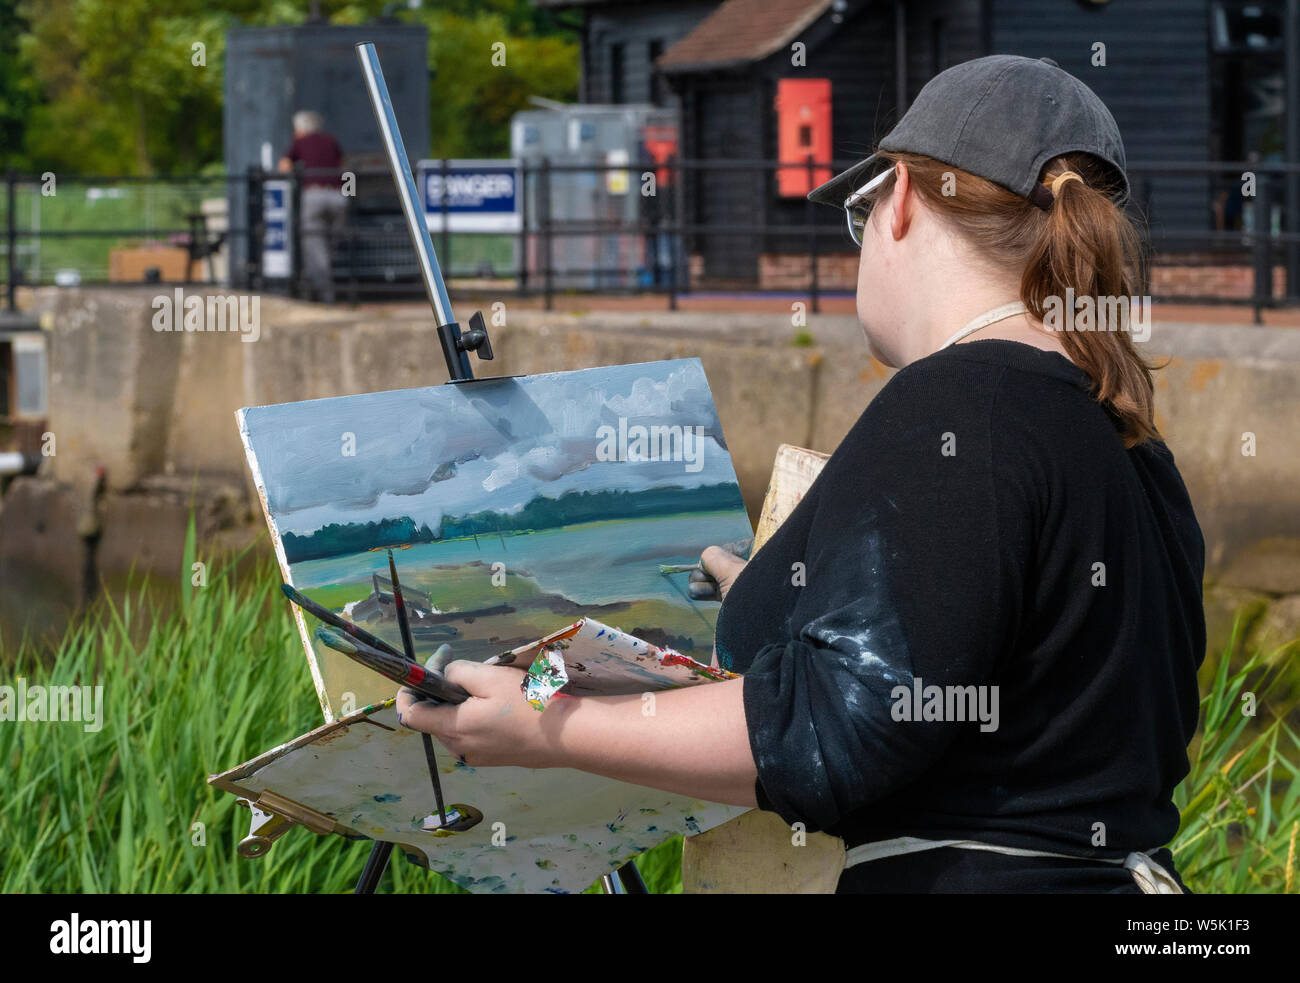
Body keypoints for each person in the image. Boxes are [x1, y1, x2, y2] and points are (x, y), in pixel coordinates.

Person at [395, 55, 1206, 894]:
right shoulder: (1130, 442)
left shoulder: (955, 402)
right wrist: (790, 591)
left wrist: (543, 724)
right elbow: (996, 656)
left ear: (897, 203)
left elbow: (838, 729)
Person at [279, 110, 346, 303]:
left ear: (301, 129)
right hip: (338, 197)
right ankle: (318, 284)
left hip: (313, 195)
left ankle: (325, 296)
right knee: (329, 245)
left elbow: (284, 166)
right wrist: (349, 195)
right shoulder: (331, 140)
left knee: (314, 245)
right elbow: (344, 167)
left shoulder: (299, 142)